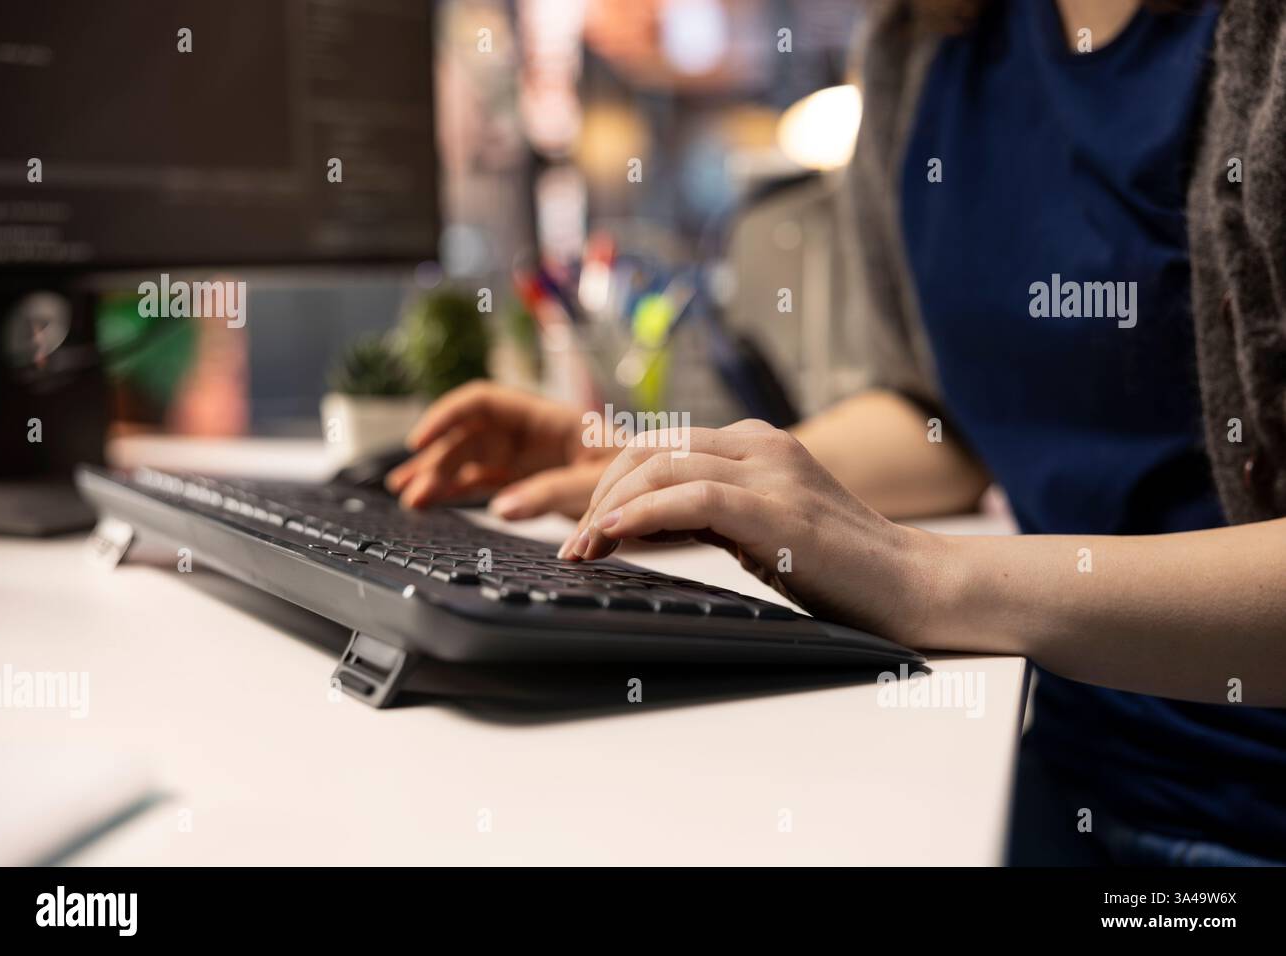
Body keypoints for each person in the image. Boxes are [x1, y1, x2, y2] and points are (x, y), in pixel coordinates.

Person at [386, 0, 1286, 865]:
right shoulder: (928, 39)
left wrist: (925, 578)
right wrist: (682, 466)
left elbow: (929, 562)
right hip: (1049, 773)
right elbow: (940, 423)